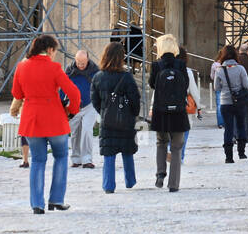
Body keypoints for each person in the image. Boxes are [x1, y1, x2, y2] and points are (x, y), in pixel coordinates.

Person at [11, 34, 81, 214]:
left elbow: (17, 93)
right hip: (55, 119)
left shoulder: (21, 67)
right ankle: (56, 199)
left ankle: (37, 203)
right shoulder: (54, 67)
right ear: (50, 49)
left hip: (32, 119)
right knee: (61, 157)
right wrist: (72, 111)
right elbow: (73, 93)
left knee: (37, 161)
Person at [90, 42, 140, 193]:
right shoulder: (127, 77)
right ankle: (130, 181)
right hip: (125, 121)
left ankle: (108, 185)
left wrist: (104, 112)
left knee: (109, 154)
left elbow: (94, 100)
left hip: (108, 121)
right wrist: (132, 114)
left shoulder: (98, 77)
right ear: (121, 58)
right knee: (127, 150)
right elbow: (135, 100)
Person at [148, 34, 190, 191]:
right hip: (178, 111)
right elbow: (185, 84)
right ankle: (173, 184)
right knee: (177, 147)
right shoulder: (181, 64)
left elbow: (152, 84)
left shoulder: (156, 65)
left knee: (161, 142)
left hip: (160, 110)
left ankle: (160, 173)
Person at [211, 44, 248, 162]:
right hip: (239, 102)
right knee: (241, 125)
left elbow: (216, 87)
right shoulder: (240, 68)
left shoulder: (219, 70)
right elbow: (247, 85)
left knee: (228, 128)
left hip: (225, 102)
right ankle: (241, 153)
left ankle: (229, 157)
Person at [65, 49, 99, 169]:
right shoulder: (69, 70)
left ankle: (87, 159)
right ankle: (76, 159)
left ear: (88, 60)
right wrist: (62, 104)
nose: (80, 65)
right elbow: (62, 87)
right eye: (78, 62)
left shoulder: (95, 70)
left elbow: (99, 87)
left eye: (83, 63)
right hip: (73, 105)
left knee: (87, 130)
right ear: (75, 60)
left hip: (90, 105)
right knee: (75, 132)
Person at [177, 45, 202, 162]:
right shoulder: (187, 72)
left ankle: (170, 150)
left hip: (167, 105)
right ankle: (180, 156)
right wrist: (199, 106)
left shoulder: (163, 70)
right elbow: (194, 91)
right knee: (184, 130)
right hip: (183, 104)